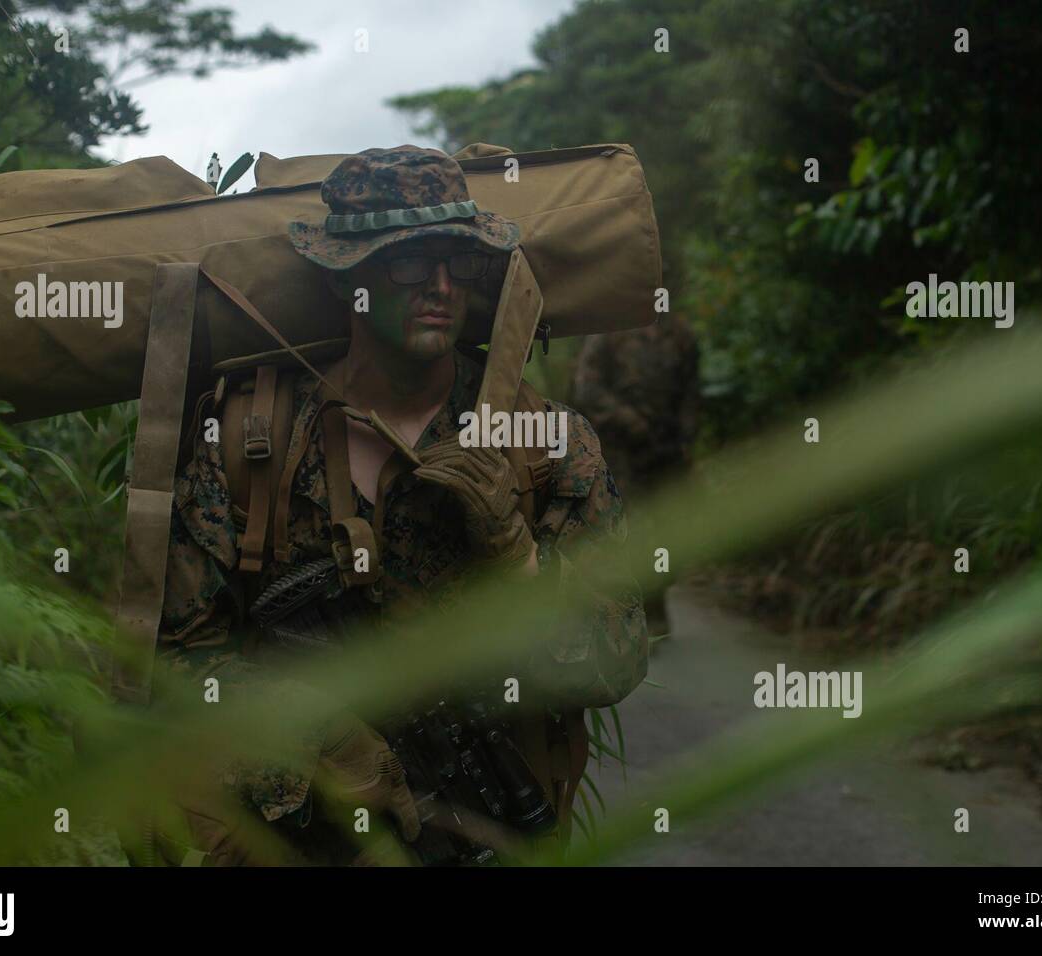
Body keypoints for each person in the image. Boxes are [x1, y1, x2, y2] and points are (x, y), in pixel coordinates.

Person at [151, 145, 648, 865]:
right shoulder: (251, 447)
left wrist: (517, 557)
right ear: (347, 274)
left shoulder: (544, 444)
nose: (440, 286)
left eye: (457, 261)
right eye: (408, 262)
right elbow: (177, 666)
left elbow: (617, 665)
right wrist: (318, 735)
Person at [571, 315, 700, 631]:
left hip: (666, 452)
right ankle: (628, 609)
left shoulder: (681, 334)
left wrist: (686, 433)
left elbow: (691, 391)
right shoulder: (610, 331)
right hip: (621, 453)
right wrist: (627, 419)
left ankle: (655, 602)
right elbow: (587, 388)